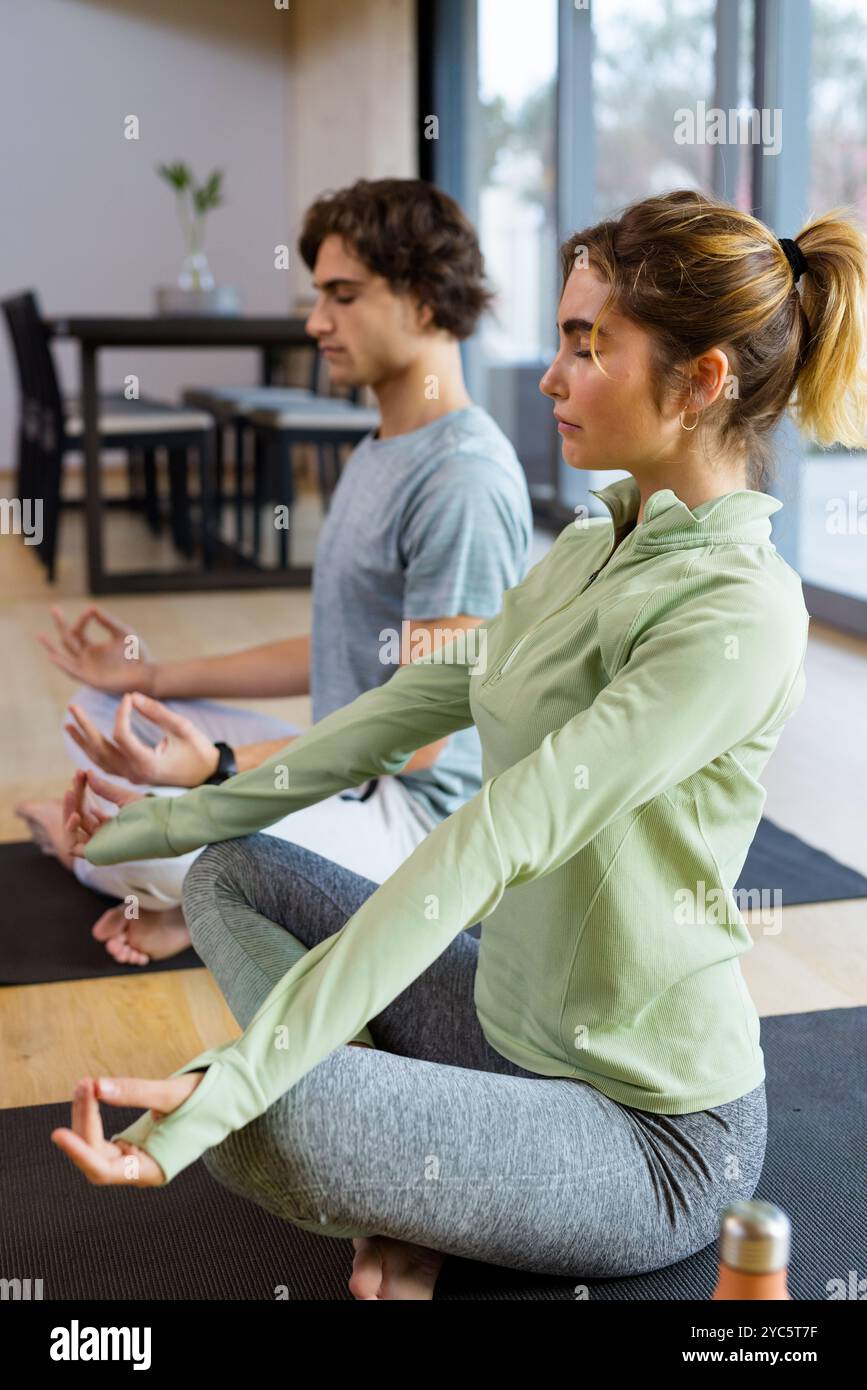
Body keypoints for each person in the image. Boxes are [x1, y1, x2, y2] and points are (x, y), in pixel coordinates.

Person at [52, 190, 867, 1300]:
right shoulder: (593, 540)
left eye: (591, 346)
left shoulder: (739, 610)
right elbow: (395, 712)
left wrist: (233, 1082)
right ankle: (438, 1174)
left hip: (652, 1133)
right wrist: (155, 821)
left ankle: (418, 1170)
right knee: (230, 870)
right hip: (503, 1027)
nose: (551, 373)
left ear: (704, 380)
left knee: (271, 1122)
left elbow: (496, 834)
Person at [16, 177, 532, 964]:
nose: (315, 320)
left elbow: (418, 743)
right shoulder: (381, 447)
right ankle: (211, 897)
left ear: (425, 300)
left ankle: (140, 871)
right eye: (318, 294)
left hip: (416, 827)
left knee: (135, 840)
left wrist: (219, 770)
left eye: (342, 296)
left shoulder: (461, 478)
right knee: (100, 713)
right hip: (346, 776)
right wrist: (154, 674)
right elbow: (332, 643)